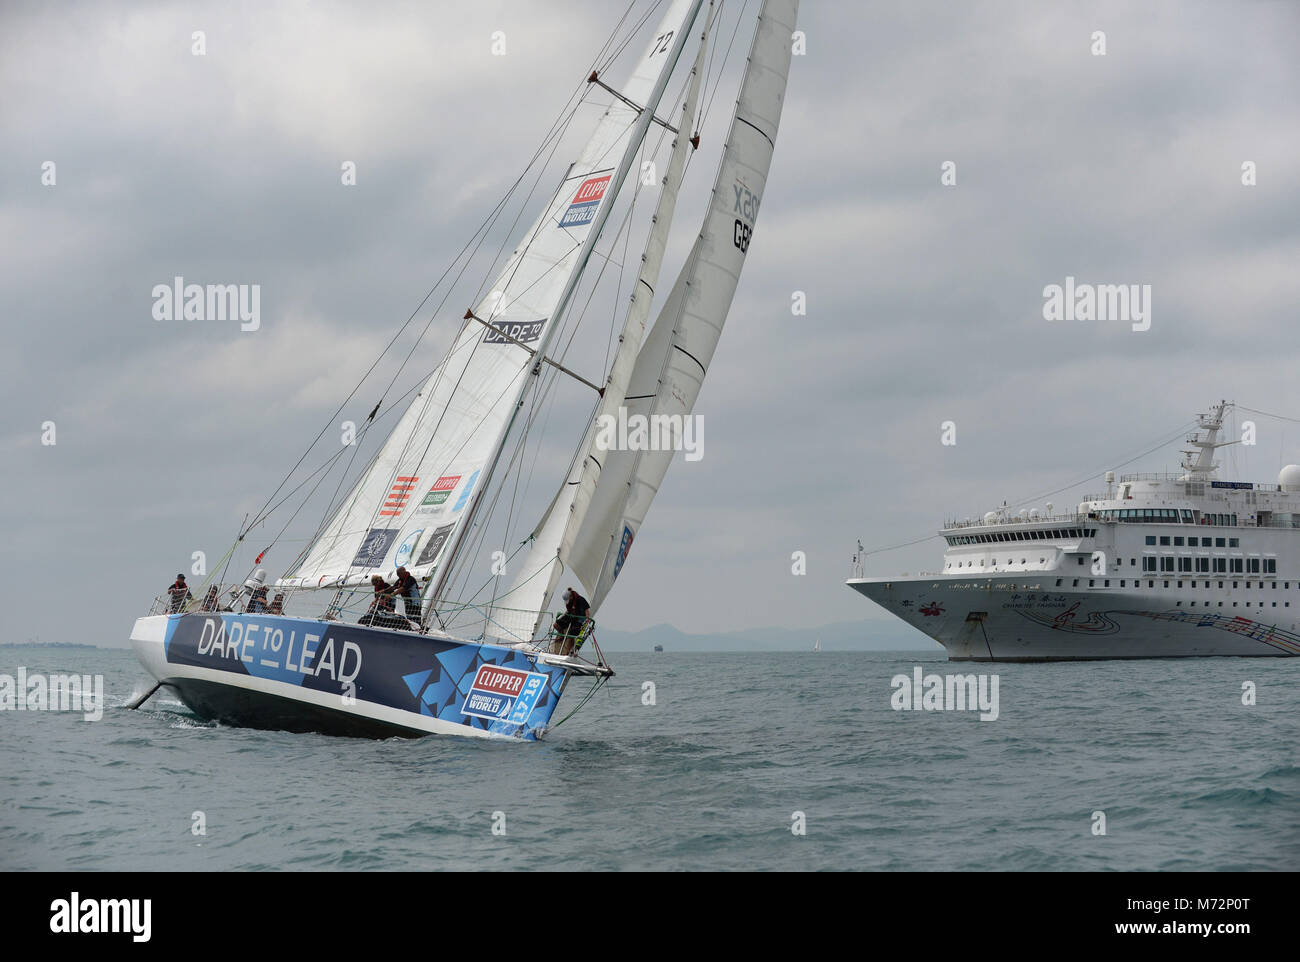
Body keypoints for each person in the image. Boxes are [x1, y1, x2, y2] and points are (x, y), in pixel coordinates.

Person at [552, 586, 591, 655]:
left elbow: (587, 611)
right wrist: (563, 616)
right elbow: (569, 610)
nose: (567, 601)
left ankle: (567, 652)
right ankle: (562, 635)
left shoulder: (581, 599)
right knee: (556, 625)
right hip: (571, 616)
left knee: (571, 634)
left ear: (571, 596)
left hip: (579, 619)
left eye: (568, 599)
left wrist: (587, 621)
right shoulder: (569, 601)